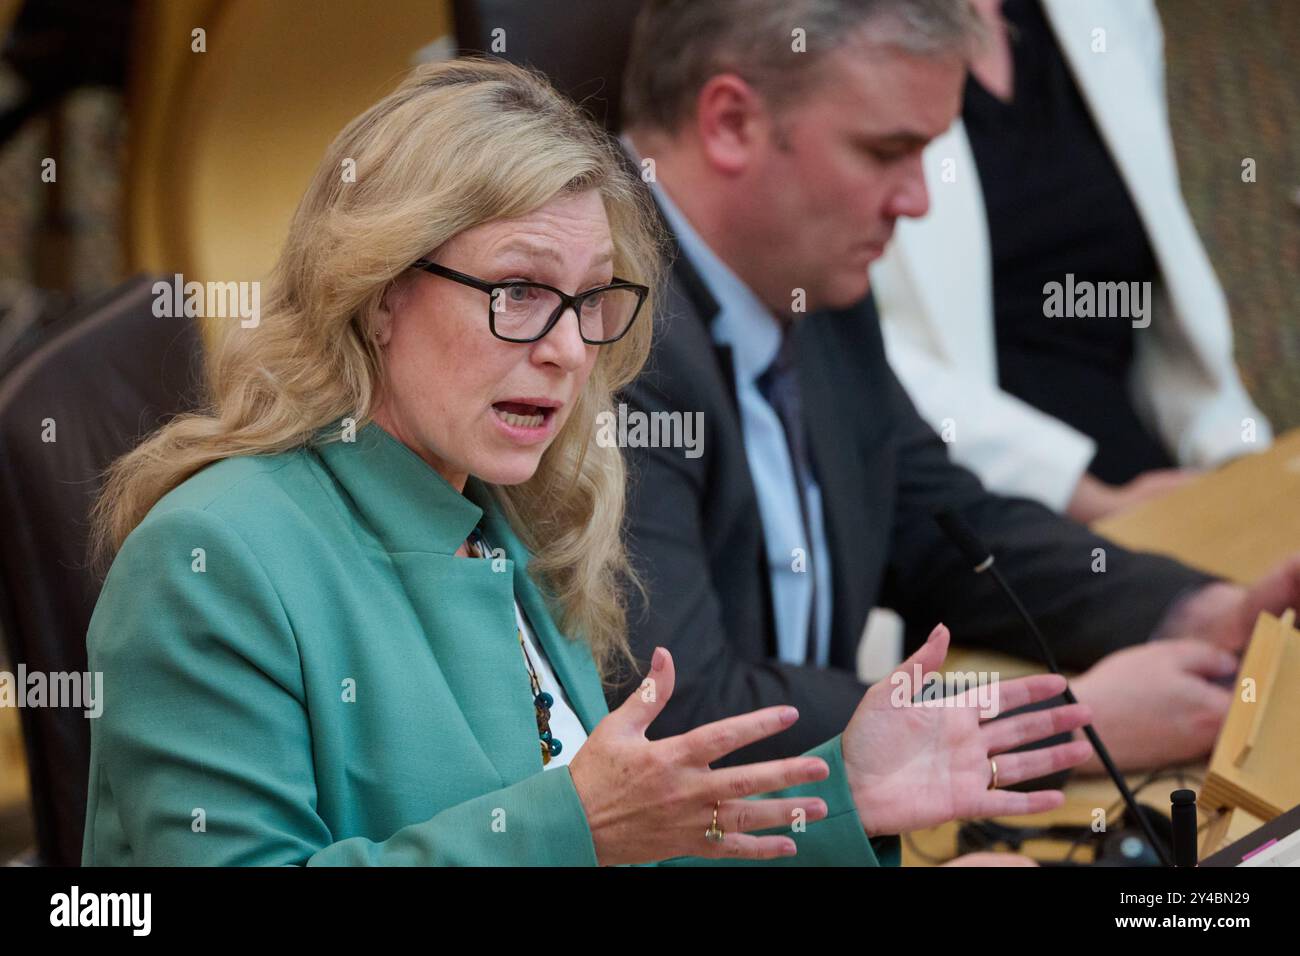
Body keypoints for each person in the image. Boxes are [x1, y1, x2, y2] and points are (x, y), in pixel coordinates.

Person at [81, 58, 1091, 867]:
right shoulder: (210, 560)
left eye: (591, 300)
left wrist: (843, 791)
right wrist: (572, 824)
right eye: (518, 291)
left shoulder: (504, 513)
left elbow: (628, 847)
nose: (568, 348)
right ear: (377, 288)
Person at [612, 0, 1300, 778]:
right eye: (885, 152)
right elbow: (686, 715)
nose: (918, 200)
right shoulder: (600, 329)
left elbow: (944, 525)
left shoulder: (803, 276)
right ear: (731, 122)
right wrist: (1060, 723)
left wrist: (1194, 613)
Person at [870, 0, 1272, 522]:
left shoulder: (1104, 14)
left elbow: (1154, 291)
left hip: (1155, 470)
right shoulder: (822, 34)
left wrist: (1227, 458)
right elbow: (842, 353)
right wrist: (1085, 499)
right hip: (973, 520)